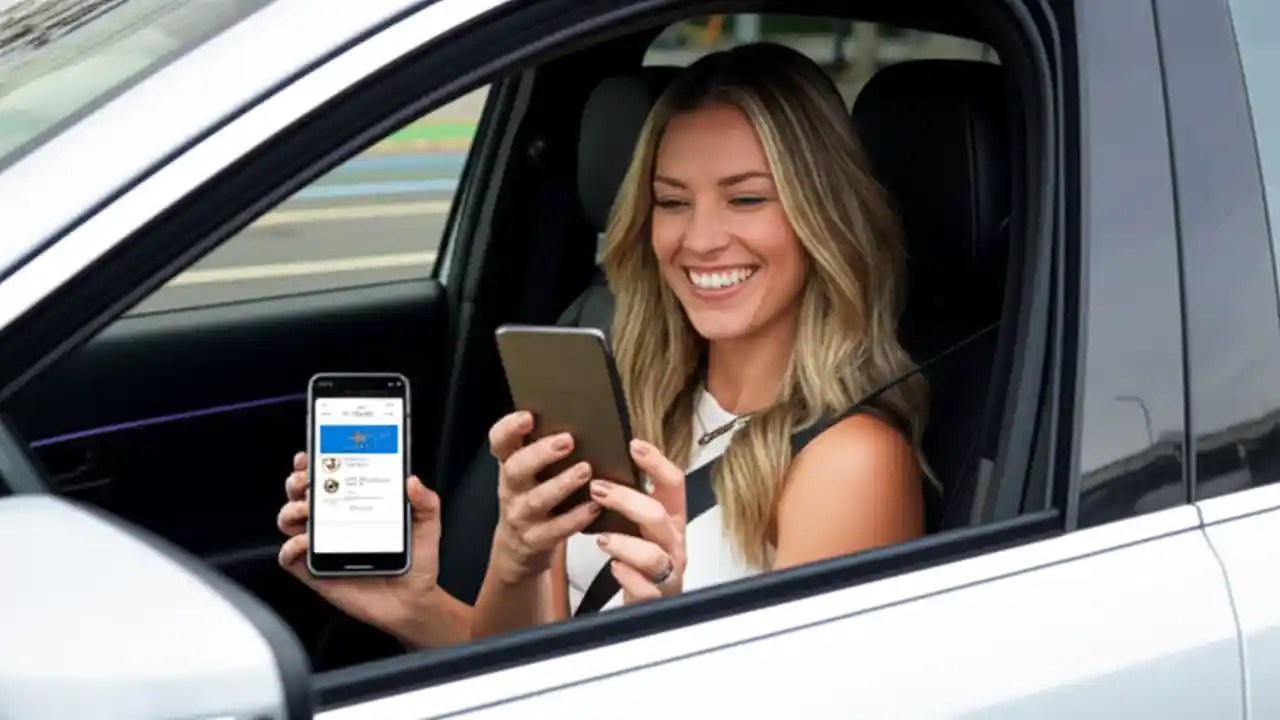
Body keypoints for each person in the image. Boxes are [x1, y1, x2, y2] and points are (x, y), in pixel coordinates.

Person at [275, 41, 932, 649]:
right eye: (672, 203)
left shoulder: (851, 461)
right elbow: (533, 673)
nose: (700, 239)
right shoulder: (625, 399)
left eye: (747, 198)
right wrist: (433, 597)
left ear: (824, 216)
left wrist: (660, 632)